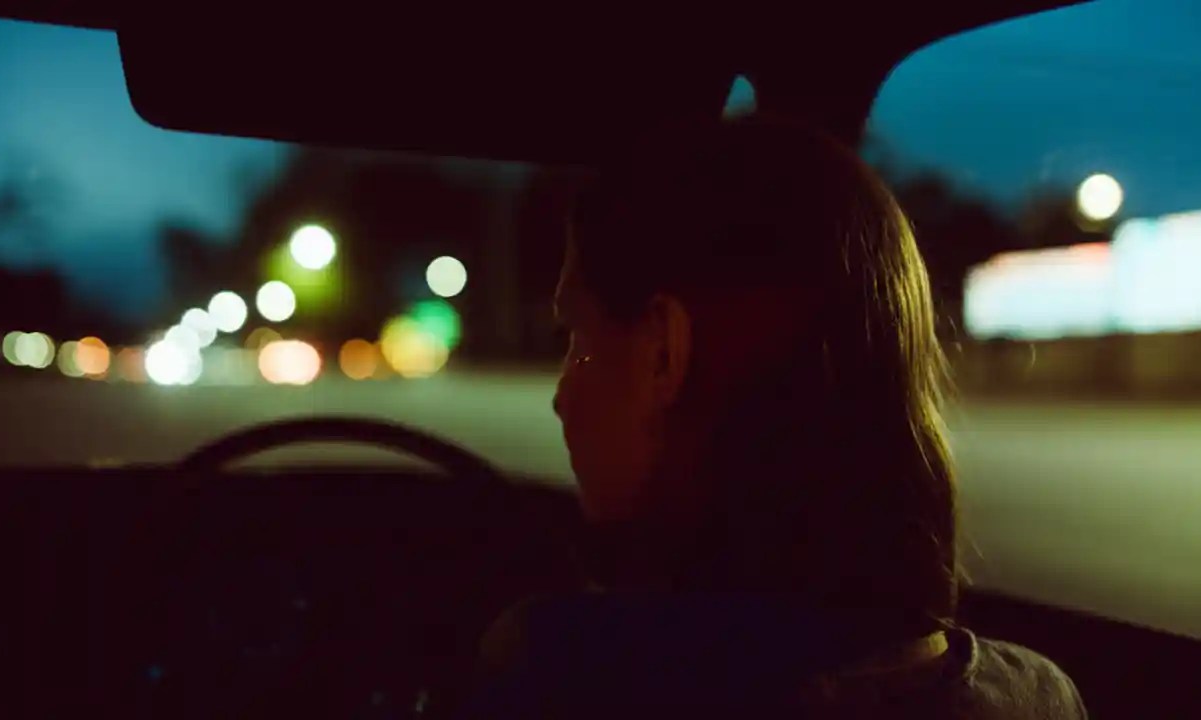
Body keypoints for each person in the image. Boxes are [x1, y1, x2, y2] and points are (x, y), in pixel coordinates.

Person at [462, 115, 1088, 718]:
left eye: (576, 339)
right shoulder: (1043, 696)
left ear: (662, 353)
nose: (560, 396)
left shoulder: (557, 671)